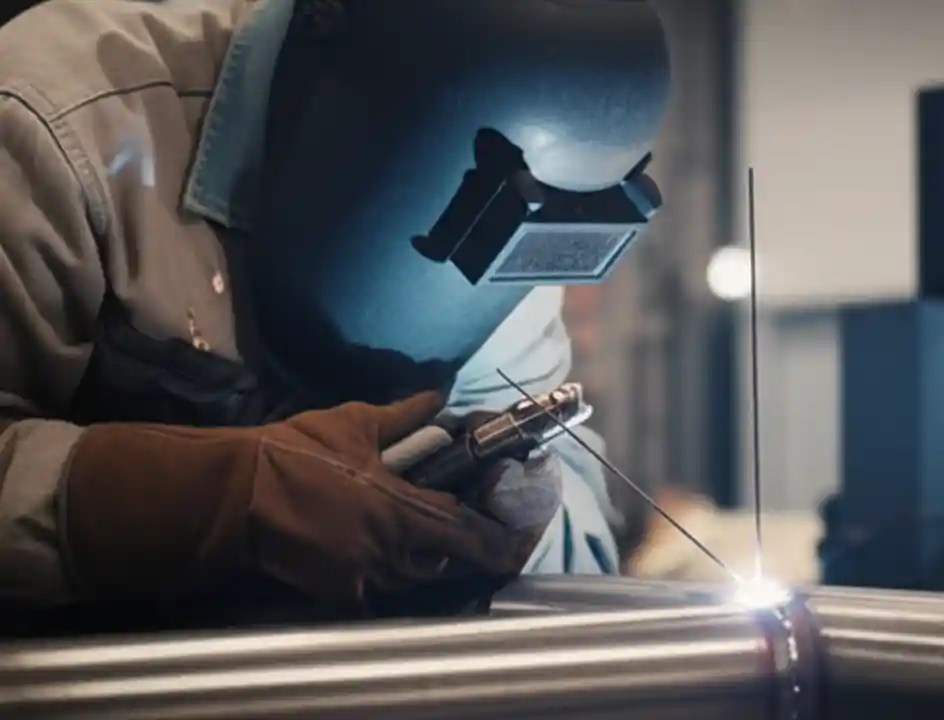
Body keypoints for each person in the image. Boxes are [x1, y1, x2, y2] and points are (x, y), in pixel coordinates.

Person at [0, 0, 670, 627]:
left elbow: (583, 549)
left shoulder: (518, 212)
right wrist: (208, 499)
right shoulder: (58, 124)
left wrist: (510, 520)